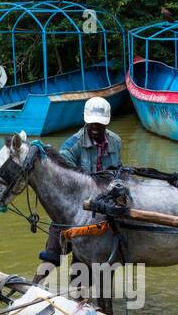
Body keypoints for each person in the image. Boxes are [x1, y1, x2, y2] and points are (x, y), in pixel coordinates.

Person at [37, 97, 122, 265]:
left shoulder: (116, 142)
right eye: (93, 123)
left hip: (102, 208)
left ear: (107, 123)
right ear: (86, 121)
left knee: (94, 261)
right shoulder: (72, 145)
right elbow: (62, 180)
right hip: (76, 206)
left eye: (100, 124)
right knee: (50, 259)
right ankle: (37, 286)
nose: (96, 127)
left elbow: (116, 173)